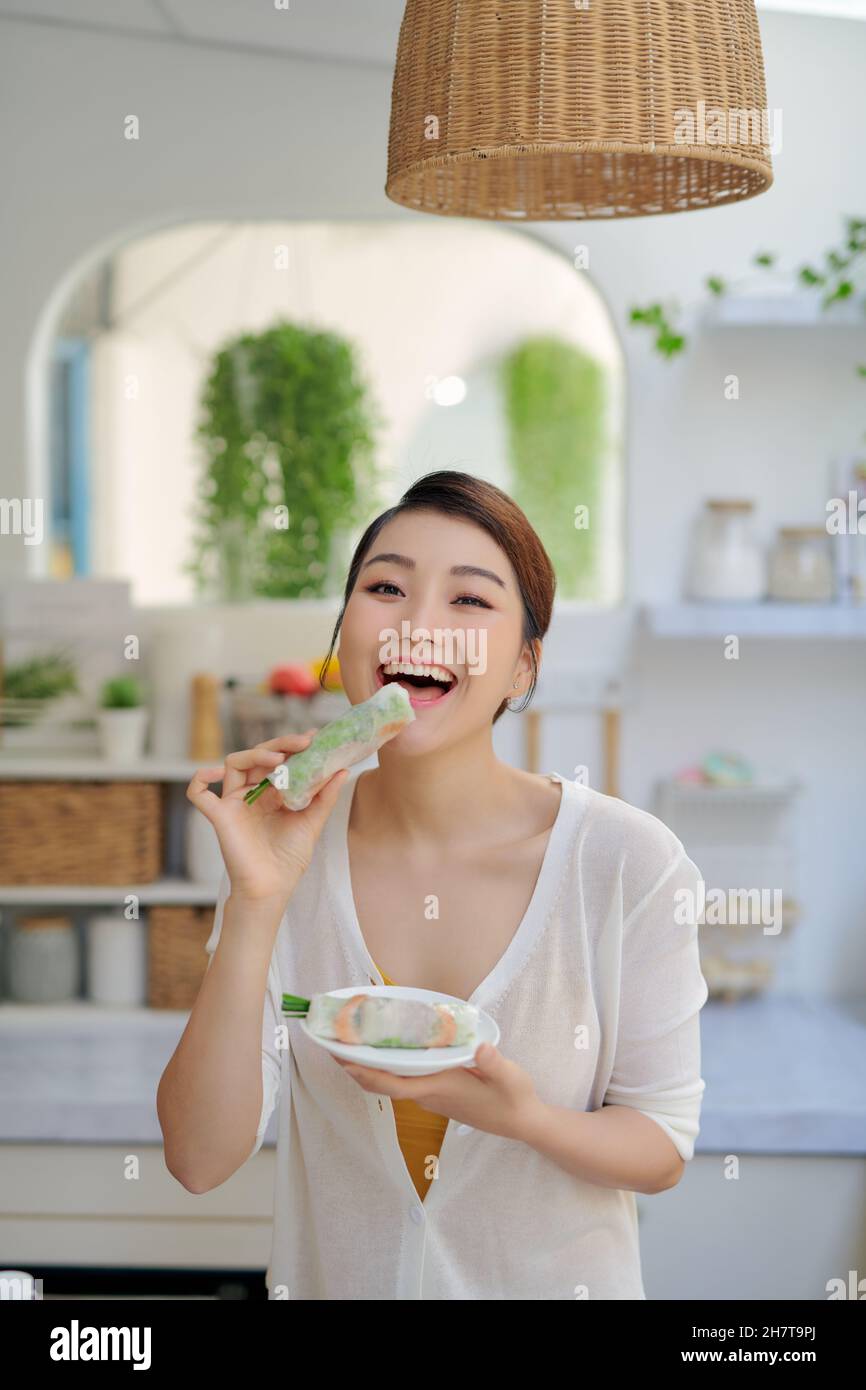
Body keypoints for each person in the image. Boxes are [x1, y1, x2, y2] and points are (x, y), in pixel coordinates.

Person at [157, 470, 708, 1300]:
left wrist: (519, 1118)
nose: (419, 625)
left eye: (470, 602)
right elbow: (199, 1159)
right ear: (343, 636)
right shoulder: (282, 855)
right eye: (386, 588)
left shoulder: (628, 861)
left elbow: (662, 1145)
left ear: (524, 668)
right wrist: (256, 904)